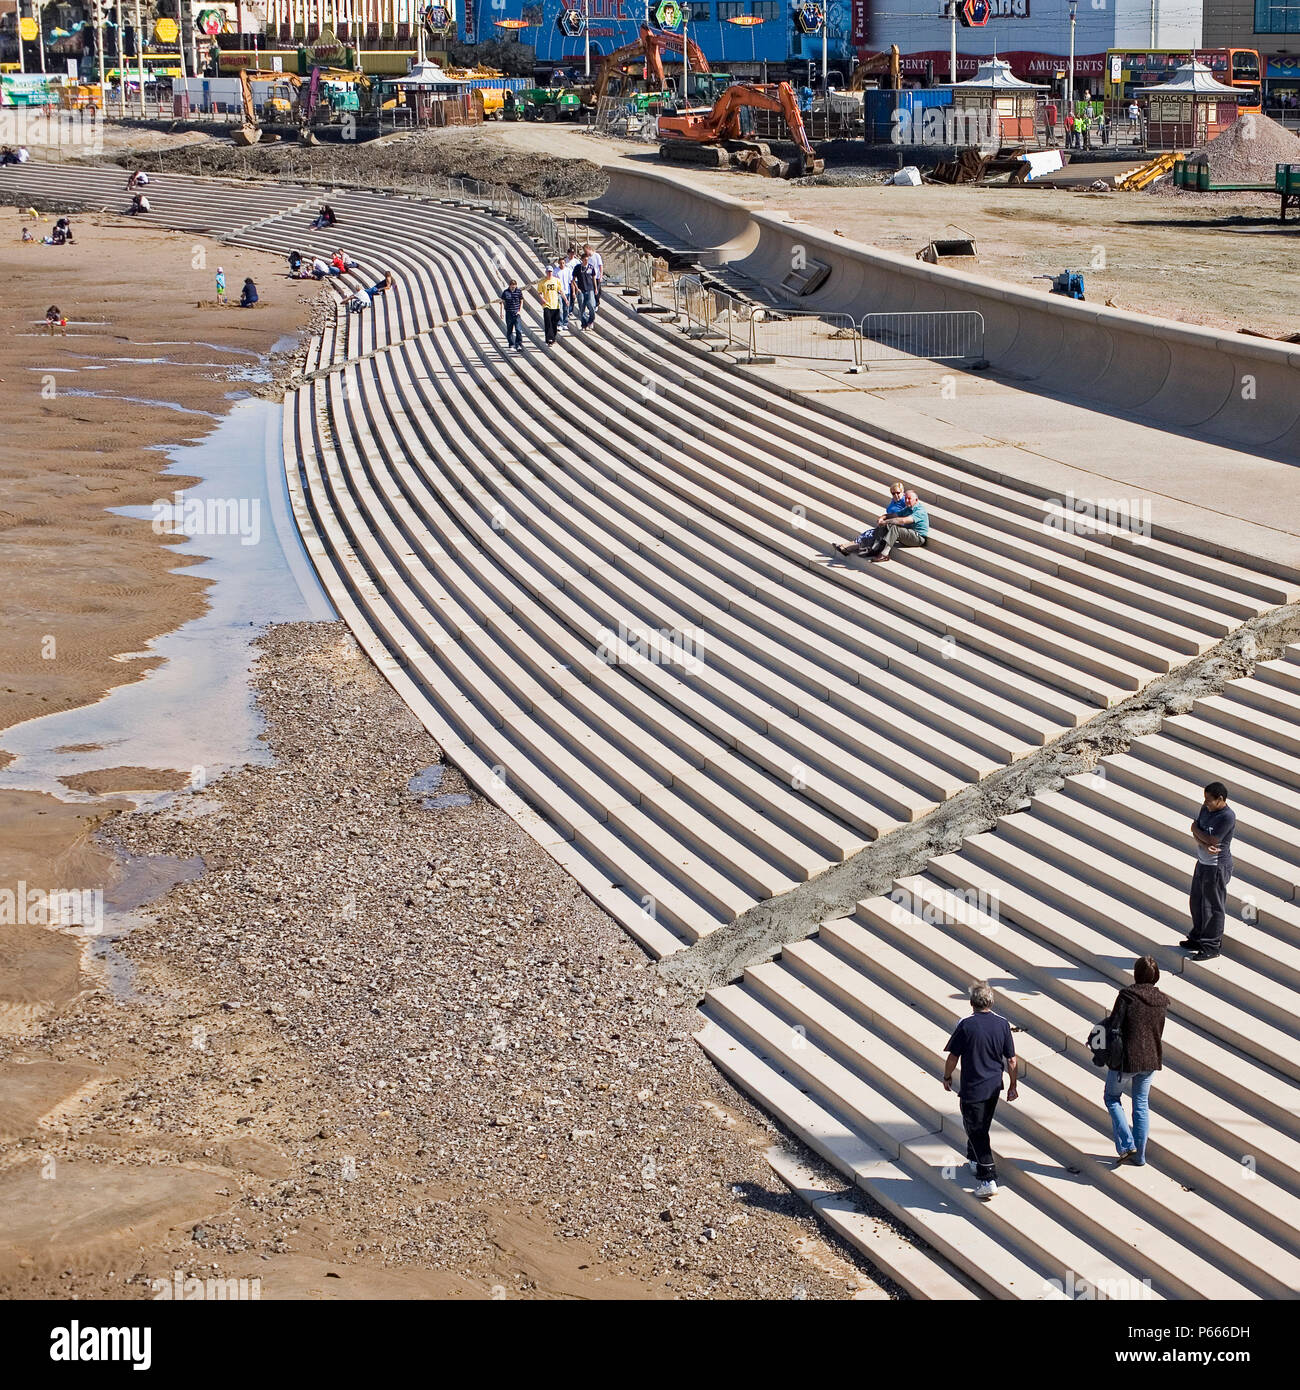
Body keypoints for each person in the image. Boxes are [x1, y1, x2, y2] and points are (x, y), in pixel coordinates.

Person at [943, 982, 1018, 1200]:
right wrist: (1013, 1085)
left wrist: (947, 1077)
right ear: (991, 1002)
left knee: (976, 1129)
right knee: (981, 1125)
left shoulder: (966, 1025)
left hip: (972, 1088)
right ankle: (974, 1159)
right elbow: (1011, 1060)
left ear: (971, 1003)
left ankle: (988, 1177)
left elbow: (952, 1057)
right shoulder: (1003, 1024)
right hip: (994, 1085)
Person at [1103, 956, 1169, 1168]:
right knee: (1141, 1105)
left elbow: (1114, 1026)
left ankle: (1127, 1144)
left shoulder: (1127, 996)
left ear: (1136, 974)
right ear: (1155, 976)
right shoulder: (1162, 1001)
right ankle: (1139, 1156)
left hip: (1126, 1060)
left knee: (1112, 1098)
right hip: (1151, 1058)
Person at [1181, 781, 1235, 961]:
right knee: (1196, 901)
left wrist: (1198, 834)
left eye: (1209, 800)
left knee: (1213, 907)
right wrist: (1201, 838)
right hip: (1202, 862)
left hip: (1217, 867)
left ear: (1220, 799)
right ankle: (1197, 937)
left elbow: (1212, 839)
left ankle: (1211, 946)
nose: (1205, 803)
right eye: (1204, 799)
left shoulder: (1227, 816)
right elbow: (1194, 828)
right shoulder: (1205, 809)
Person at [840, 487, 929, 563]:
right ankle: (875, 548)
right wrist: (883, 517)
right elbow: (896, 515)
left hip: (918, 538)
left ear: (916, 500)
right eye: (906, 498)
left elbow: (903, 521)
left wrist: (887, 521)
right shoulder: (908, 508)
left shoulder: (919, 511)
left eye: (909, 499)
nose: (907, 500)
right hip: (909, 534)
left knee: (894, 528)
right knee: (885, 526)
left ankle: (884, 555)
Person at [836, 481, 909, 555]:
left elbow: (901, 516)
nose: (896, 495)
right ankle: (846, 546)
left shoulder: (905, 501)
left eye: (898, 492)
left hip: (897, 528)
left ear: (902, 492)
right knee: (868, 533)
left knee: (871, 535)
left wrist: (886, 519)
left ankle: (848, 547)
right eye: (893, 493)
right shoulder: (894, 500)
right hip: (888, 524)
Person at [571, 250, 599, 330]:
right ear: (582, 260)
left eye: (587, 259)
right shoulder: (577, 268)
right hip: (581, 289)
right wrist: (577, 288)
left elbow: (593, 277)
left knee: (592, 305)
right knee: (581, 307)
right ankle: (584, 324)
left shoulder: (590, 267)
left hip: (590, 289)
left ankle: (590, 320)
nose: (586, 261)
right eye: (585, 260)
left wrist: (595, 288)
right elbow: (573, 279)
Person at [536, 265, 562, 346]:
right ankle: (549, 339)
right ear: (546, 272)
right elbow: (539, 293)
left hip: (555, 305)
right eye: (548, 272)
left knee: (554, 322)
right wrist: (542, 299)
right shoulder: (542, 282)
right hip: (547, 305)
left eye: (550, 272)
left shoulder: (557, 281)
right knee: (548, 321)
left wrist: (565, 300)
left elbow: (560, 291)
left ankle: (553, 337)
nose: (549, 273)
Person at [500, 276, 524, 351]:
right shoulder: (505, 292)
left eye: (514, 286)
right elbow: (502, 302)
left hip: (516, 313)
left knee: (518, 330)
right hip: (509, 313)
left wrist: (520, 310)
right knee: (509, 330)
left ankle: (519, 344)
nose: (513, 287)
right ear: (509, 285)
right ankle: (511, 344)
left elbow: (521, 301)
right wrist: (501, 312)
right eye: (512, 286)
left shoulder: (518, 291)